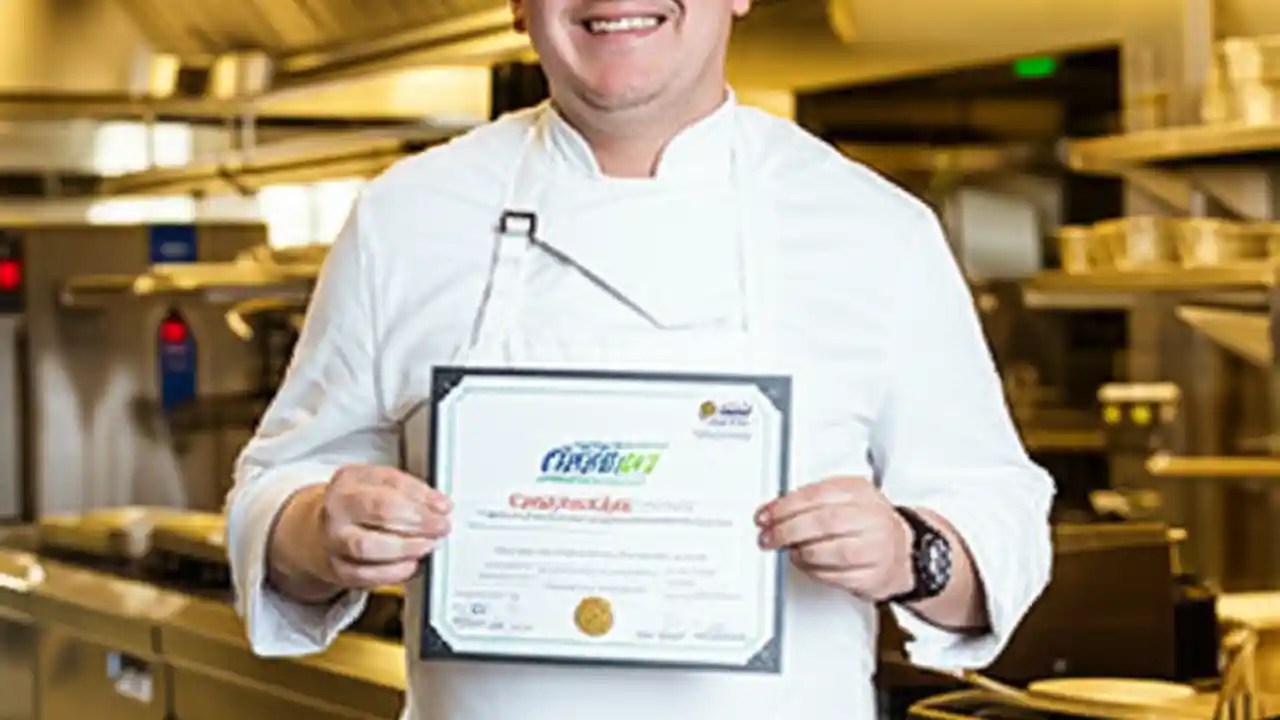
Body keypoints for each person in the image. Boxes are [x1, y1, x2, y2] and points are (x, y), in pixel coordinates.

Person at [224, 0, 1057, 717]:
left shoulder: (875, 228)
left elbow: (1000, 511)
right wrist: (315, 531)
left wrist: (912, 551)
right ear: (518, 3)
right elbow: (279, 482)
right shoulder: (405, 217)